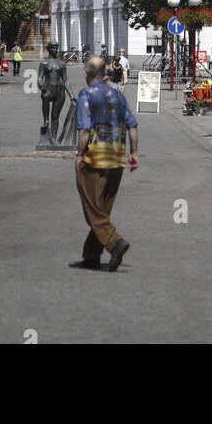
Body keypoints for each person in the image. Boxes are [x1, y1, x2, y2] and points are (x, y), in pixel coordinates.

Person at [75, 56, 138, 271]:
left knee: (92, 208)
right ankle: (91, 255)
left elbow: (84, 130)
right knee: (103, 208)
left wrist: (79, 154)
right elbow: (132, 126)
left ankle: (115, 242)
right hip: (117, 159)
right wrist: (134, 153)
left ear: (86, 74)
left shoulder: (86, 94)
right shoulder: (119, 95)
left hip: (95, 159)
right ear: (105, 72)